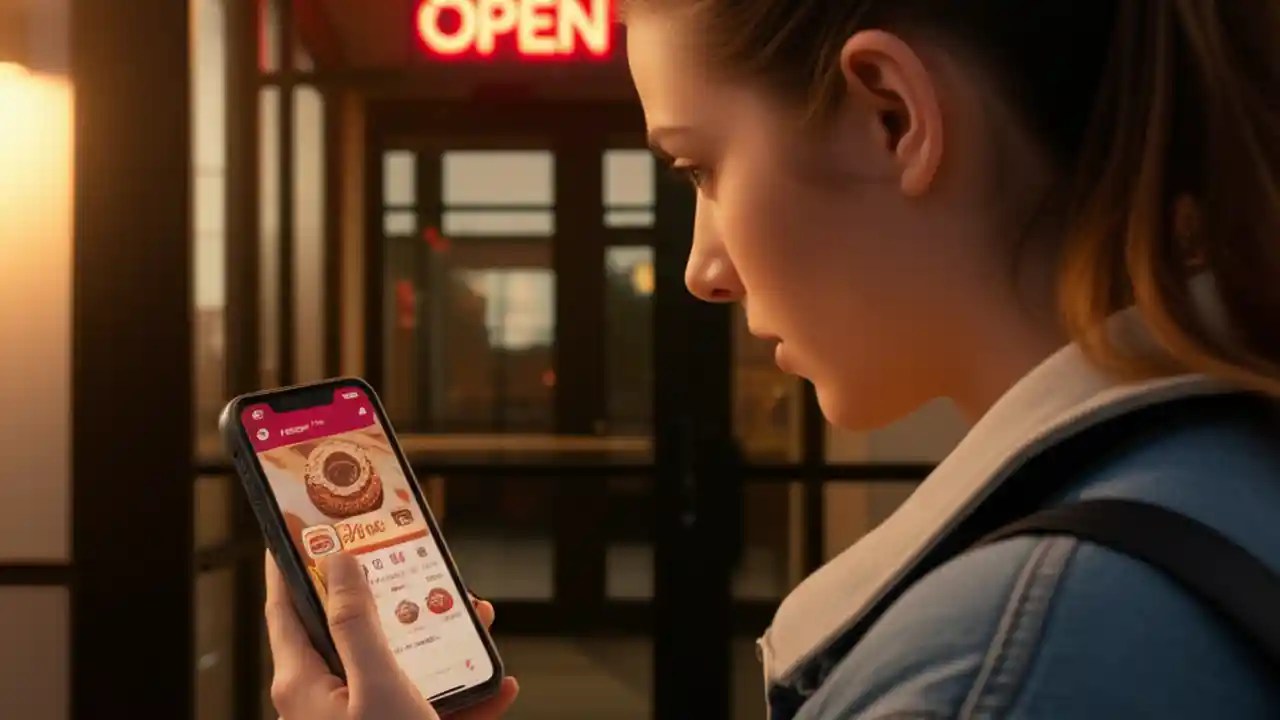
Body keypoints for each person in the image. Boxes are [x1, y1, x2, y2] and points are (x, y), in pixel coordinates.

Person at [264, 0, 1280, 717]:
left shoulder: (1000, 665)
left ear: (890, 115)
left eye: (700, 166)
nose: (703, 268)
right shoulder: (1224, 471)